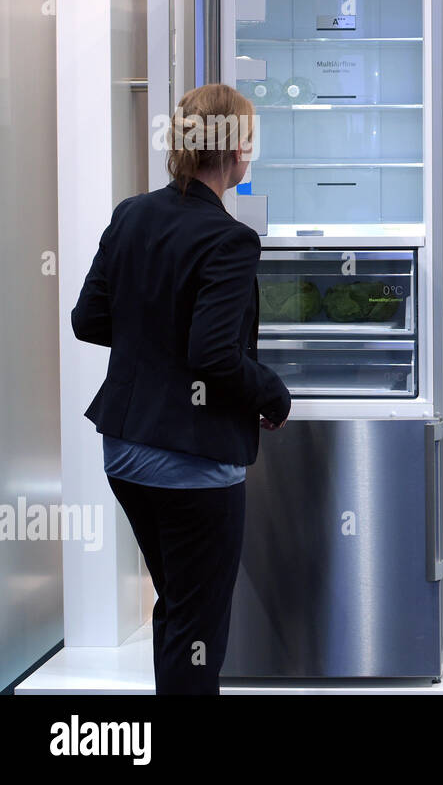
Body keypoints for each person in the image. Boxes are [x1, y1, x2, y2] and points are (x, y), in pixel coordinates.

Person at [72, 83, 291, 695]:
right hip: (191, 460)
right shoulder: (230, 238)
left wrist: (155, 333)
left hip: (125, 450)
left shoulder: (132, 213)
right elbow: (214, 353)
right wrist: (271, 395)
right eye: (249, 135)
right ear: (235, 152)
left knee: (176, 608)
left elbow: (88, 321)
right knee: (198, 628)